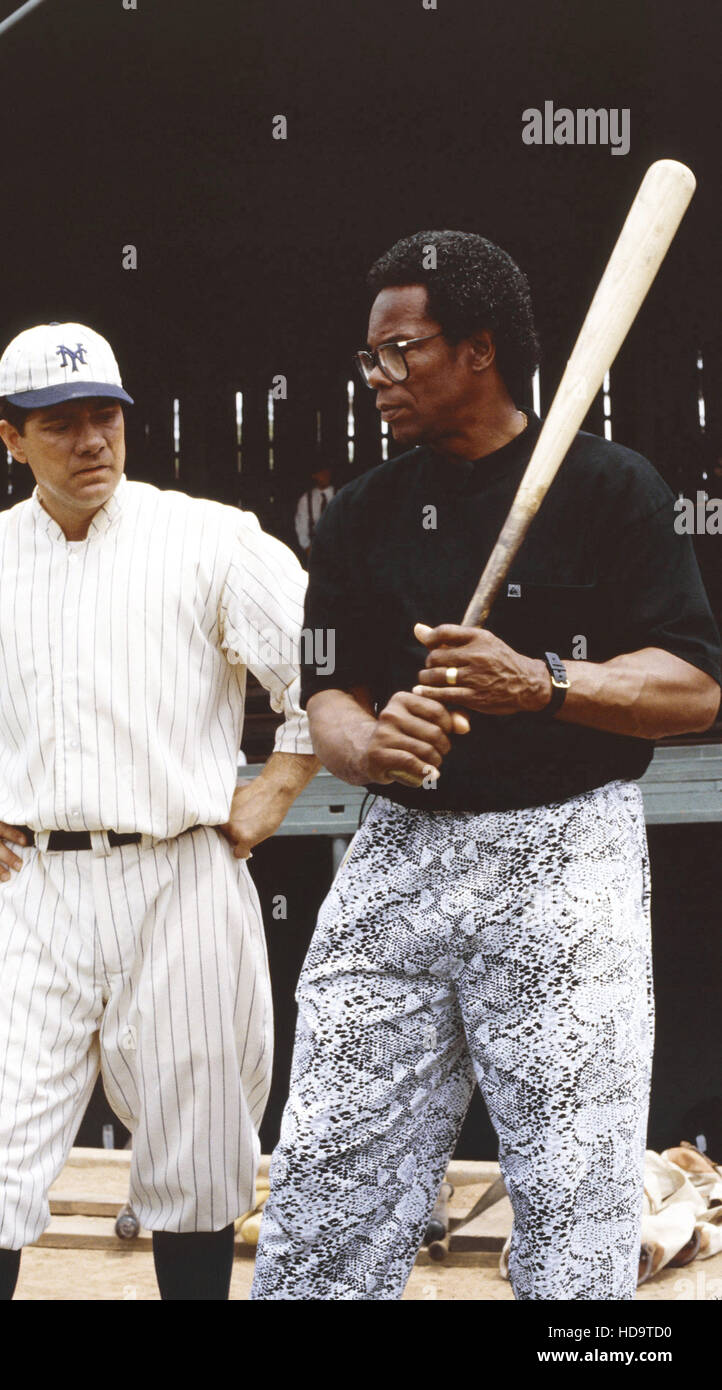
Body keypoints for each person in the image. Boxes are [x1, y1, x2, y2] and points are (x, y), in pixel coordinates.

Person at [251, 231, 721, 1301]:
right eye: (370, 356)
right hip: (400, 850)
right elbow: (324, 691)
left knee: (575, 1198)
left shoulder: (612, 486)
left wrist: (545, 680)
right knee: (326, 1180)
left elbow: (695, 683)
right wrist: (367, 742)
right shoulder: (364, 513)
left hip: (565, 848)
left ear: (479, 349)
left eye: (399, 351)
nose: (376, 377)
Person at [0, 321, 319, 1301]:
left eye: (106, 418)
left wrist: (276, 790)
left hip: (183, 871)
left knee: (201, 1158)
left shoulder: (208, 535)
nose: (91, 442)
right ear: (10, 436)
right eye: (61, 423)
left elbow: (323, 661)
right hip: (30, 880)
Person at [294, 465, 335, 560]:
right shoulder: (306, 499)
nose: (325, 475)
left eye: (327, 471)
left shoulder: (340, 495)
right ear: (314, 475)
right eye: (321, 473)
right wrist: (308, 549)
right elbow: (301, 527)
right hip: (315, 552)